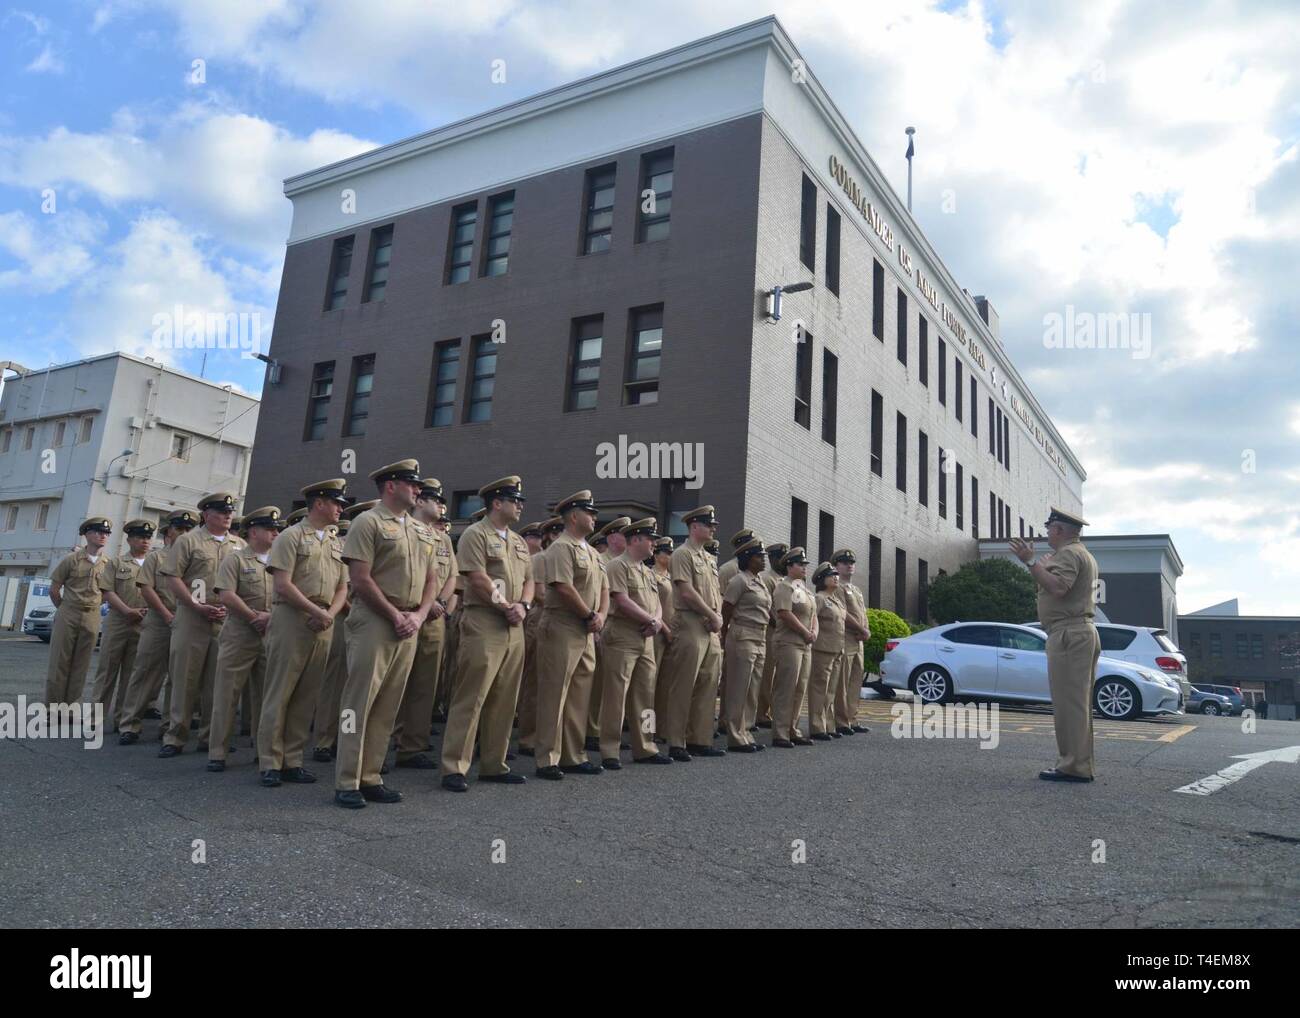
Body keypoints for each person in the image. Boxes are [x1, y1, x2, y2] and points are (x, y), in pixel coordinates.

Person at [335, 461, 439, 808]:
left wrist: (420, 615)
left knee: (388, 704)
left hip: (409, 620)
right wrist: (396, 615)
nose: (418, 491)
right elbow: (361, 578)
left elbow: (431, 580)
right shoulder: (368, 522)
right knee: (360, 702)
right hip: (376, 620)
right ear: (391, 486)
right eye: (412, 484)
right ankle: (347, 779)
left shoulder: (421, 530)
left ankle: (371, 776)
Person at [440, 476, 533, 792]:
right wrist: (507, 605)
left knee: (505, 698)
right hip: (484, 622)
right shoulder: (474, 535)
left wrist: (523, 605)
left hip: (514, 625)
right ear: (497, 503)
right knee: (472, 696)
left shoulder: (519, 542)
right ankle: (455, 766)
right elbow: (477, 578)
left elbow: (530, 579)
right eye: (514, 500)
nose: (520, 505)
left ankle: (494, 763)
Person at [258, 482, 349, 787]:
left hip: (324, 621)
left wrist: (329, 614)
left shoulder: (337, 544)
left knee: (307, 695)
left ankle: (292, 760)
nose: (341, 508)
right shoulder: (291, 536)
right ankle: (270, 761)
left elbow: (343, 588)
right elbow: (283, 584)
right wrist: (315, 611)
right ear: (319, 503)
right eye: (336, 503)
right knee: (280, 691)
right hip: (292, 618)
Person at [1011, 507, 1100, 783]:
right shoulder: (1077, 553)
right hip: (1077, 632)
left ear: (1060, 530)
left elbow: (1058, 588)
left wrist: (1030, 562)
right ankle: (1077, 764)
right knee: (1076, 704)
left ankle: (1073, 767)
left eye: (1049, 527)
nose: (1046, 531)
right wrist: (1041, 566)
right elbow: (1056, 584)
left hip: (1068, 634)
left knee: (1069, 704)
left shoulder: (1071, 553)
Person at [158, 494, 246, 756]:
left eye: (230, 511)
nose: (227, 516)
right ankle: (175, 737)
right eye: (221, 511)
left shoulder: (239, 545)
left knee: (217, 682)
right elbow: (173, 578)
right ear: (206, 514)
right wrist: (197, 606)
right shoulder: (188, 541)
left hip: (226, 618)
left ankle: (212, 737)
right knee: (185, 678)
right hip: (192, 616)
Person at [534, 490, 608, 780]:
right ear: (574, 516)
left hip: (586, 628)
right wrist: (589, 615)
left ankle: (573, 755)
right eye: (589, 513)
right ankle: (547, 758)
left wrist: (600, 614)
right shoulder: (561, 548)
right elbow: (563, 587)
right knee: (555, 694)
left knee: (579, 694)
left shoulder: (591, 552)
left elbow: (603, 588)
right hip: (563, 625)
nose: (594, 518)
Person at [207, 506, 282, 772]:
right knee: (227, 694)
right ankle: (217, 751)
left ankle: (264, 751)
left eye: (276, 529)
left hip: (270, 635)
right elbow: (227, 594)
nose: (275, 533)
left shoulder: (280, 560)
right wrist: (253, 617)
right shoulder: (236, 559)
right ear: (253, 531)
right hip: (239, 633)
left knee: (266, 697)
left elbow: (285, 595)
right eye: (269, 529)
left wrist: (269, 618)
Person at [393, 479, 457, 770]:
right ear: (419, 502)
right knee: (393, 684)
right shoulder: (401, 528)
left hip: (433, 619)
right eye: (435, 500)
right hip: (405, 616)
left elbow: (452, 577)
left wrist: (440, 603)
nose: (441, 505)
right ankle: (380, 745)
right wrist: (424, 605)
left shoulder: (442, 538)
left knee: (424, 685)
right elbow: (401, 576)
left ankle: (412, 746)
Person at [118, 510, 197, 744]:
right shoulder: (157, 558)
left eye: (188, 530)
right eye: (179, 529)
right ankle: (130, 724)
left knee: (179, 675)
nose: (183, 534)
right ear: (169, 531)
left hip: (186, 620)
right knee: (145, 672)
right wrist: (165, 614)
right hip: (158, 620)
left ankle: (169, 725)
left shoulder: (195, 558)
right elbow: (146, 588)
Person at [599, 518, 670, 768]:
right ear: (636, 540)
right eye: (650, 538)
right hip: (623, 636)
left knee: (645, 696)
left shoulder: (647, 571)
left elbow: (658, 602)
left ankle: (646, 747)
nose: (654, 543)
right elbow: (621, 600)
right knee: (616, 696)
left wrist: (657, 621)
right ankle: (609, 750)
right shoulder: (617, 566)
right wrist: (652, 620)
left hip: (647, 637)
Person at [660, 506, 725, 760]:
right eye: (709, 525)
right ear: (694, 526)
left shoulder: (708, 558)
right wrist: (711, 615)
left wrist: (715, 617)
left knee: (708, 685)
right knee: (683, 684)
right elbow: (686, 591)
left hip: (710, 628)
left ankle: (700, 738)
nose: (713, 529)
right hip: (689, 624)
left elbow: (714, 593)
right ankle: (677, 741)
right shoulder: (682, 554)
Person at [90, 519, 155, 731]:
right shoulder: (117, 563)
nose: (145, 541)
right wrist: (127, 611)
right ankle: (95, 719)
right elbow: (107, 591)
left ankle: (123, 720)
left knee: (132, 675)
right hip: (119, 622)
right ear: (129, 539)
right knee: (107, 671)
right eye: (140, 537)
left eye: (148, 537)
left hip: (144, 624)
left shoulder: (155, 564)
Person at [46, 517, 113, 713]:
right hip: (69, 611)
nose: (103, 536)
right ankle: (52, 709)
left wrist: (93, 606)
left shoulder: (108, 564)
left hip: (92, 614)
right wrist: (64, 608)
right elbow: (54, 589)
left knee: (81, 664)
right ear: (87, 534)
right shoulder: (71, 560)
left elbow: (107, 592)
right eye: (99, 532)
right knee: (59, 662)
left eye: (106, 533)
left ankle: (71, 708)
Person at [311, 508, 358, 763]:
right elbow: (342, 588)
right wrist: (355, 609)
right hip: (343, 619)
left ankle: (347, 737)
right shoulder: (339, 546)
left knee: (358, 684)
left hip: (368, 621)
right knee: (335, 681)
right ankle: (324, 740)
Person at [516, 516, 562, 757]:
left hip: (565, 621)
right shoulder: (540, 559)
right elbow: (541, 593)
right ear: (553, 535)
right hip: (541, 618)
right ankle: (528, 736)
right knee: (534, 679)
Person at [720, 537, 770, 752]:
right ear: (749, 559)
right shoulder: (739, 580)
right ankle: (735, 734)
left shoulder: (759, 581)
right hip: (743, 634)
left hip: (760, 636)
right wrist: (724, 635)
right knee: (738, 687)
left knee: (752, 688)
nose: (764, 560)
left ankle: (746, 731)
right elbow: (727, 608)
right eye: (760, 557)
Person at [586, 517, 630, 752]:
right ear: (612, 537)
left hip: (615, 627)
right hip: (603, 625)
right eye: (624, 534)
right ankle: (592, 730)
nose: (628, 539)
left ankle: (605, 729)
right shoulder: (601, 560)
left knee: (609, 685)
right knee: (597, 683)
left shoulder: (627, 562)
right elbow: (595, 594)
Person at [771, 548, 816, 748]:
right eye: (800, 564)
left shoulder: (804, 589)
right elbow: (784, 613)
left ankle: (792, 729)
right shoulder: (784, 586)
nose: (804, 568)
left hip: (805, 644)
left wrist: (813, 631)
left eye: (805, 564)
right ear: (789, 566)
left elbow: (813, 614)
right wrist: (805, 632)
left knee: (800, 688)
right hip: (789, 642)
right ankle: (780, 732)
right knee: (786, 688)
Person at [830, 549, 871, 735]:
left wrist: (866, 629)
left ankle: (852, 718)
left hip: (858, 641)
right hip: (845, 638)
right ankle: (841, 721)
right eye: (844, 562)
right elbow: (843, 613)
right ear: (836, 565)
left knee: (855, 681)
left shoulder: (856, 589)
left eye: (852, 562)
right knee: (843, 683)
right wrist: (861, 629)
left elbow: (862, 612)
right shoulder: (836, 587)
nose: (849, 565)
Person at [808, 562, 846, 741]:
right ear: (822, 580)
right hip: (822, 649)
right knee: (819, 688)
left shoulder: (836, 599)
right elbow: (812, 620)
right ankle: (817, 726)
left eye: (837, 575)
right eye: (832, 576)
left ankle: (828, 724)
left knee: (830, 690)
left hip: (836, 649)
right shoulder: (820, 598)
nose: (836, 578)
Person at [754, 542, 788, 729]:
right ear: (773, 559)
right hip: (771, 631)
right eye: (778, 558)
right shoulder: (767, 578)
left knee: (777, 675)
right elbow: (766, 608)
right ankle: (761, 713)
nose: (782, 561)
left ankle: (771, 711)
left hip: (783, 634)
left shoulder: (785, 580)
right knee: (767, 674)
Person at [650, 535, 676, 741]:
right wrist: (666, 629)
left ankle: (663, 729)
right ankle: (646, 730)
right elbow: (652, 607)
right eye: (666, 552)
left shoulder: (671, 577)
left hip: (672, 636)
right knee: (649, 686)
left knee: (666, 686)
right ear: (657, 554)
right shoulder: (651, 575)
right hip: (657, 634)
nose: (670, 556)